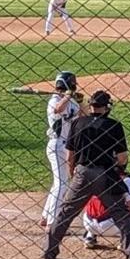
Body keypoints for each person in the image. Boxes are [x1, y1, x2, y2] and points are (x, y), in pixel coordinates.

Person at [42, 91, 130, 259]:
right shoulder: (114, 126)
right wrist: (115, 167)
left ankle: (49, 252)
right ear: (107, 107)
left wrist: (74, 173)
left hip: (82, 173)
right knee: (122, 215)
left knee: (65, 213)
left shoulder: (77, 123)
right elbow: (122, 158)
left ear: (90, 105)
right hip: (106, 175)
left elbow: (70, 155)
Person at [41, 71, 81, 230]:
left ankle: (46, 216)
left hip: (67, 146)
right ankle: (52, 223)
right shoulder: (54, 100)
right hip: (57, 145)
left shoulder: (72, 102)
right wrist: (67, 97)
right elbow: (58, 109)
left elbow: (83, 116)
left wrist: (80, 101)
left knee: (59, 183)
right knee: (62, 184)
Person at [81, 167, 130, 251]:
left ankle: (89, 237)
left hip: (88, 223)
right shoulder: (127, 180)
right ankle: (126, 242)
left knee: (96, 207)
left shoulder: (95, 176)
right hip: (110, 225)